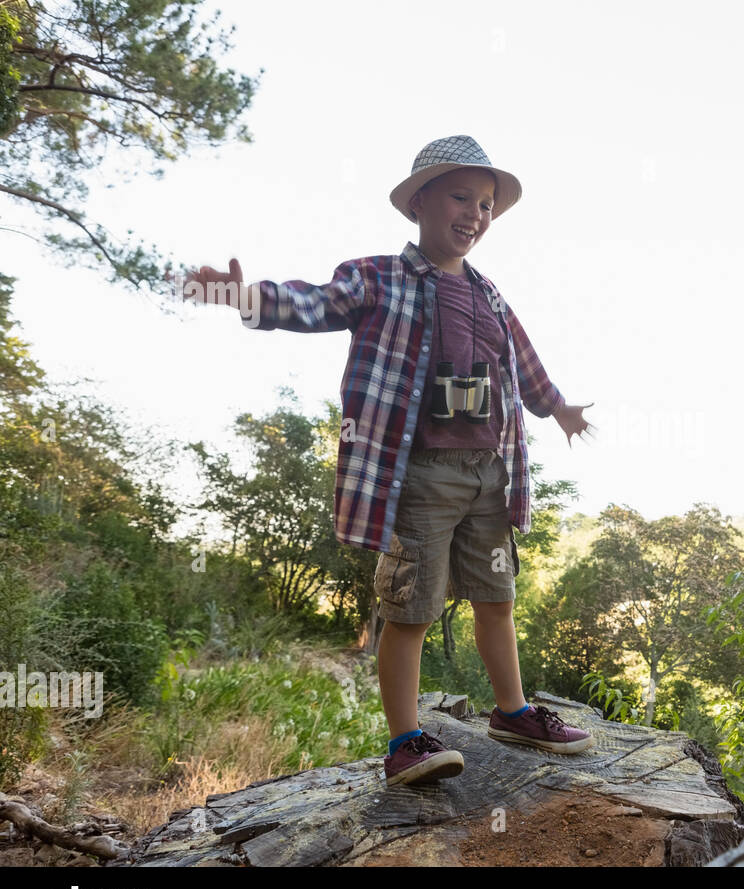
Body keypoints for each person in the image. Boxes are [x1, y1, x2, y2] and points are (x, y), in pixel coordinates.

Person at [183, 135, 597, 787]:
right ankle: (405, 740)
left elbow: (526, 361)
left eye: (486, 204)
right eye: (461, 197)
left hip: (491, 475)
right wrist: (246, 297)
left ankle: (512, 711)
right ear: (419, 203)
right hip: (421, 476)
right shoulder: (377, 277)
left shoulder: (491, 297)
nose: (476, 213)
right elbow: (316, 302)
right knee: (410, 606)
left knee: (497, 598)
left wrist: (560, 408)